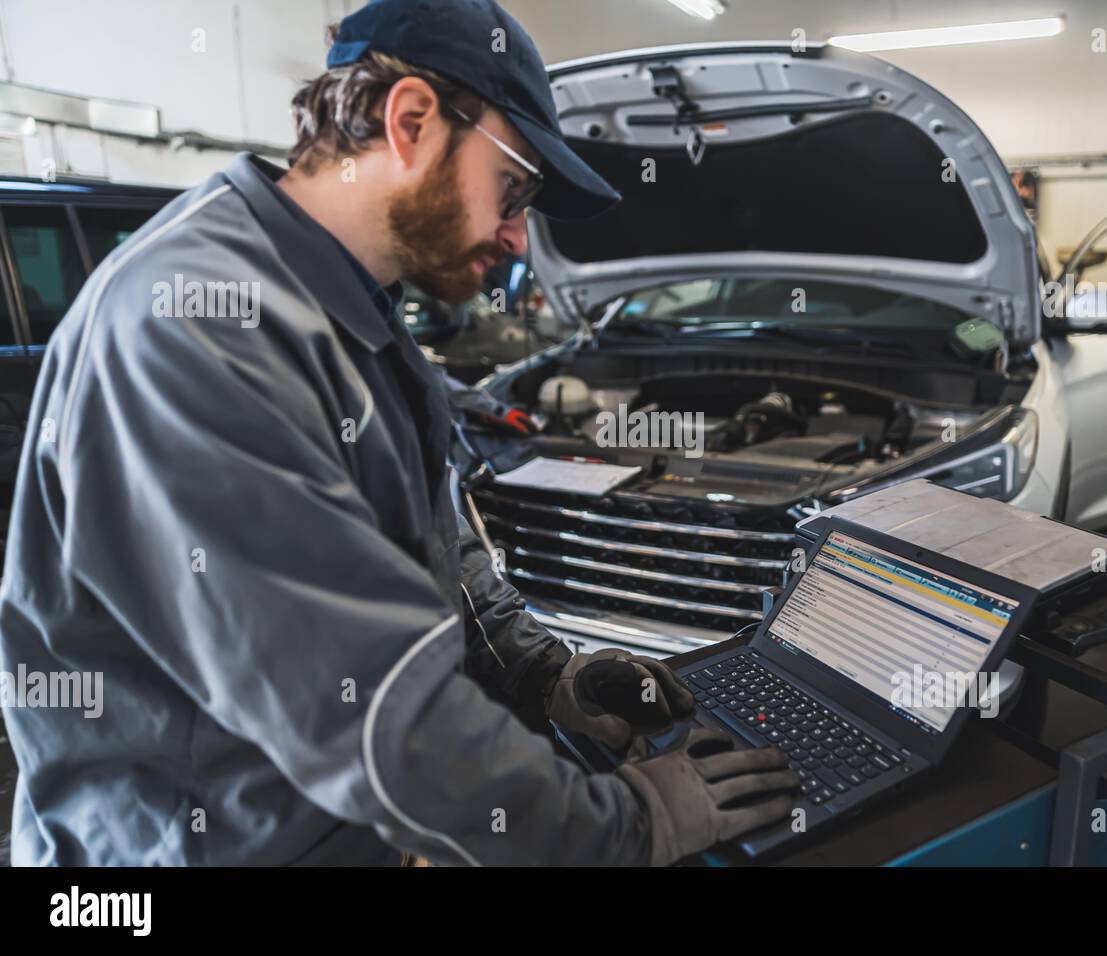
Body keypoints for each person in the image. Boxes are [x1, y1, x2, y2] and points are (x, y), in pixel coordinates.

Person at [0, 0, 797, 866]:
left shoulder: (358, 321)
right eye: (518, 187)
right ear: (411, 120)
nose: (520, 236)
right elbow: (365, 714)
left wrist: (544, 676)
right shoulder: (199, 323)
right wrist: (633, 825)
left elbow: (431, 553)